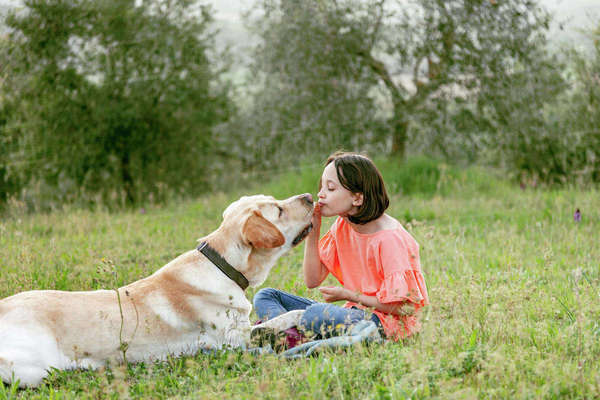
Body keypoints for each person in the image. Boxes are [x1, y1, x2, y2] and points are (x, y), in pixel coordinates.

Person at [253, 151, 429, 343]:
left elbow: (406, 309)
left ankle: (287, 336)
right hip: (350, 315)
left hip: (381, 323)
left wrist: (348, 295)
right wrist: (313, 231)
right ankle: (292, 337)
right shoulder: (343, 225)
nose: (320, 194)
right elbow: (312, 280)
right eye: (322, 187)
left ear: (357, 198)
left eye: (330, 188)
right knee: (267, 295)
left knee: (315, 314)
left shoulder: (390, 239)